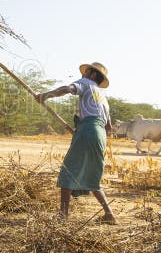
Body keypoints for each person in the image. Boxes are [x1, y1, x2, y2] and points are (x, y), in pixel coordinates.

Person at [36, 62, 116, 224]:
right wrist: (83, 129)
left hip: (89, 131)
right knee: (93, 175)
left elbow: (68, 89)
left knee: (68, 171)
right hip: (100, 135)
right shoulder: (103, 98)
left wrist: (46, 95)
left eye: (86, 71)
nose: (82, 74)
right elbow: (108, 127)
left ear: (93, 74)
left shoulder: (86, 83)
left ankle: (63, 216)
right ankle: (109, 214)